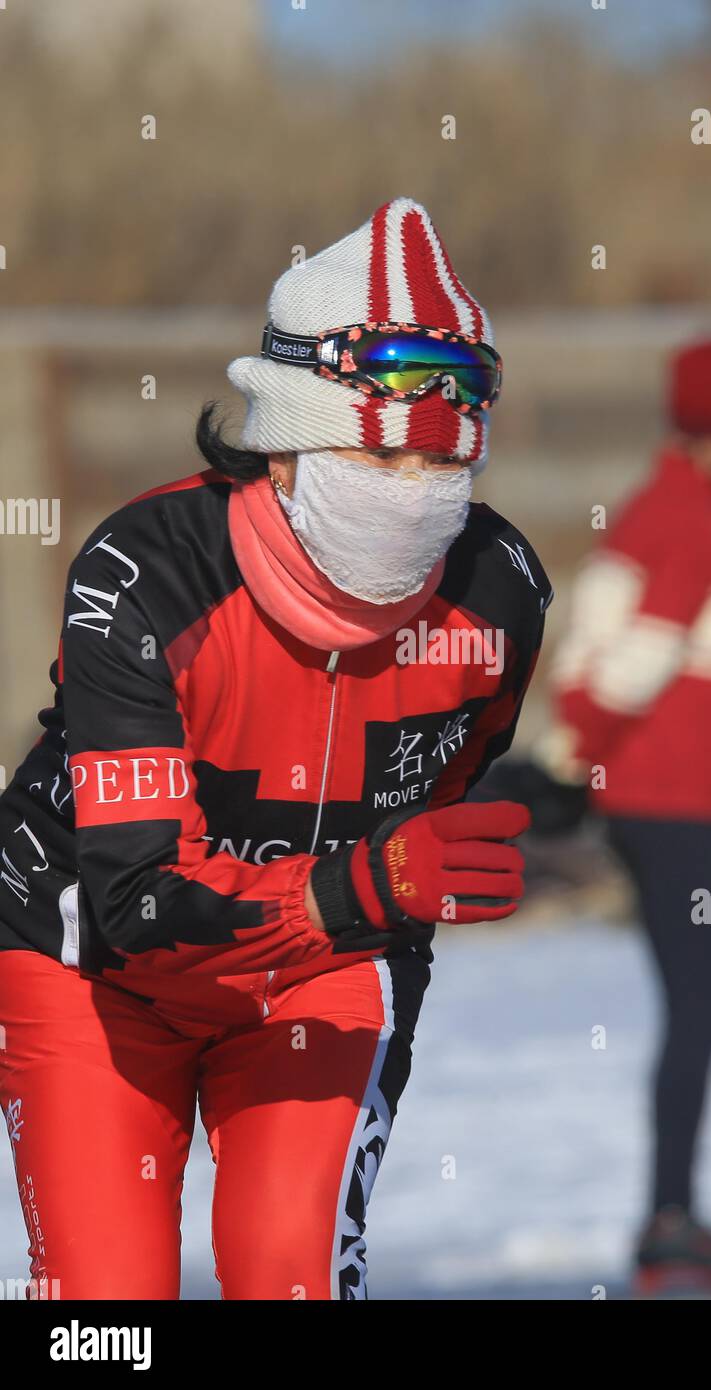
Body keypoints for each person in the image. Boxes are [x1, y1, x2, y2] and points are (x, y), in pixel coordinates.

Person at [0, 198, 551, 1300]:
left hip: (324, 971)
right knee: (108, 1314)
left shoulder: (500, 596)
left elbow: (429, 819)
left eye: (443, 478)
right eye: (377, 463)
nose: (416, 500)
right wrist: (363, 884)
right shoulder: (146, 576)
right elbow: (136, 896)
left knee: (289, 1277)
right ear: (287, 451)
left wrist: (375, 897)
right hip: (97, 970)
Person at [537, 340, 711, 1293]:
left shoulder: (653, 507)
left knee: (697, 1002)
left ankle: (672, 1214)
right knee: (704, 1001)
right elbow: (640, 656)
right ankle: (667, 1220)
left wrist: (574, 745)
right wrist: (576, 747)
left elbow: (594, 635)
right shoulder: (689, 521)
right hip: (666, 801)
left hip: (662, 798)